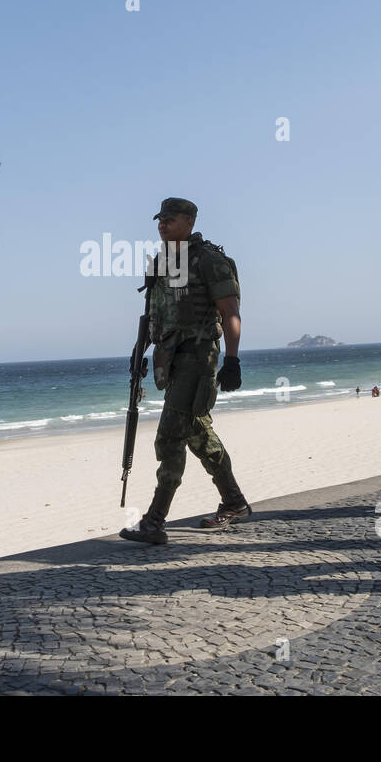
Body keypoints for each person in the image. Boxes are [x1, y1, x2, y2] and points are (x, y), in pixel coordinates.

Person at [120, 198, 248, 545]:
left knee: (169, 437)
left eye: (170, 219)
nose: (162, 224)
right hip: (171, 360)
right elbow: (154, 313)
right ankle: (235, 502)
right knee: (197, 433)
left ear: (189, 221)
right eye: (159, 219)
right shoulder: (162, 261)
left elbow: (230, 311)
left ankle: (153, 521)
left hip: (198, 357)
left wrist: (232, 360)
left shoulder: (210, 261)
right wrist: (139, 352)